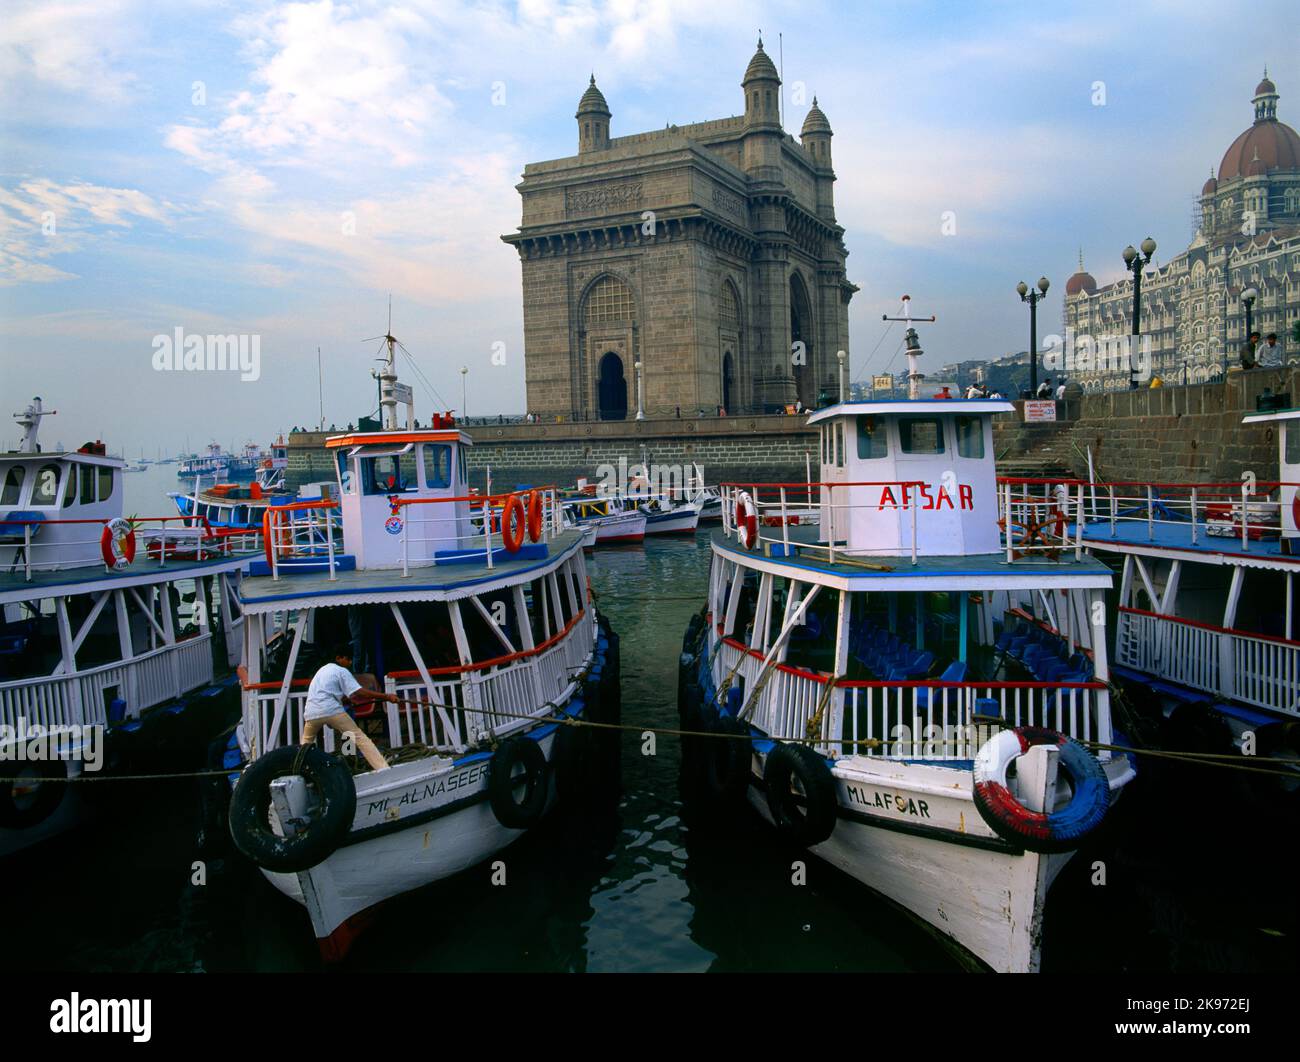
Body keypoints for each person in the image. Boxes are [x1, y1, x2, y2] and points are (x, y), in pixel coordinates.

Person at [300, 646, 397, 770]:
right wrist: (387, 697)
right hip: (332, 711)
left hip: (311, 713)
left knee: (305, 745)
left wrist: (345, 700)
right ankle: (382, 768)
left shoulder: (321, 672)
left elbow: (326, 694)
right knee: (360, 738)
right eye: (348, 659)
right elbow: (359, 692)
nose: (350, 662)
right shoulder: (341, 671)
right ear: (338, 658)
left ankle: (301, 770)